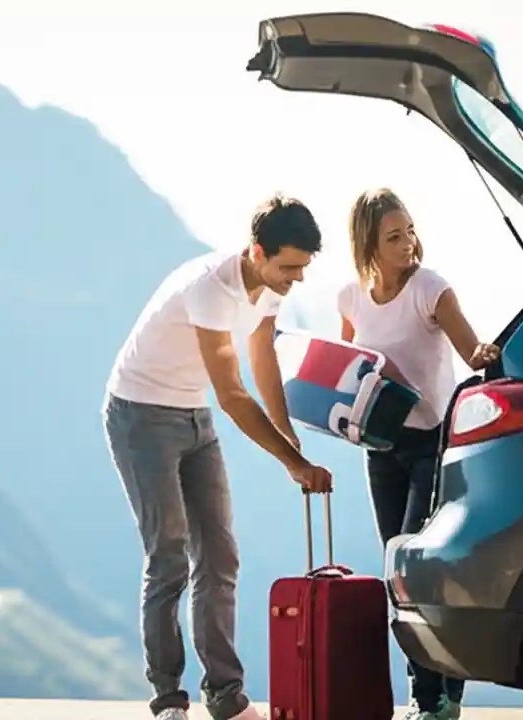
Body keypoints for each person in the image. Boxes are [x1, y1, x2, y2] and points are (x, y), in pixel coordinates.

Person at [103, 193, 334, 720]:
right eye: (289, 266)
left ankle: (227, 697)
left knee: (220, 555)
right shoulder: (211, 288)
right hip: (141, 416)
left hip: (192, 415)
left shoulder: (269, 289)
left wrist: (289, 441)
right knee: (168, 557)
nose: (296, 279)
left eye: (303, 269)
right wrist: (289, 463)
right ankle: (167, 699)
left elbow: (263, 363)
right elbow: (232, 394)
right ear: (258, 250)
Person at [338, 188, 499, 720]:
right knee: (397, 570)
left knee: (415, 568)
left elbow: (471, 351)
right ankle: (444, 687)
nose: (407, 243)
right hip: (380, 450)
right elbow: (348, 369)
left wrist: (487, 354)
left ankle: (430, 699)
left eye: (408, 230)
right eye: (393, 236)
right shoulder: (350, 298)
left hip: (433, 445)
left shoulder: (431, 289)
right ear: (369, 243)